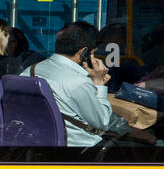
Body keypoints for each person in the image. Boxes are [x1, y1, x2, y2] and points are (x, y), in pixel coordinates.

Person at [32, 20, 131, 148]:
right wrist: (99, 84)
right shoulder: (79, 82)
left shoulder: (30, 70)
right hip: (82, 148)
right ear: (84, 52)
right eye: (93, 52)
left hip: (40, 141)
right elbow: (102, 122)